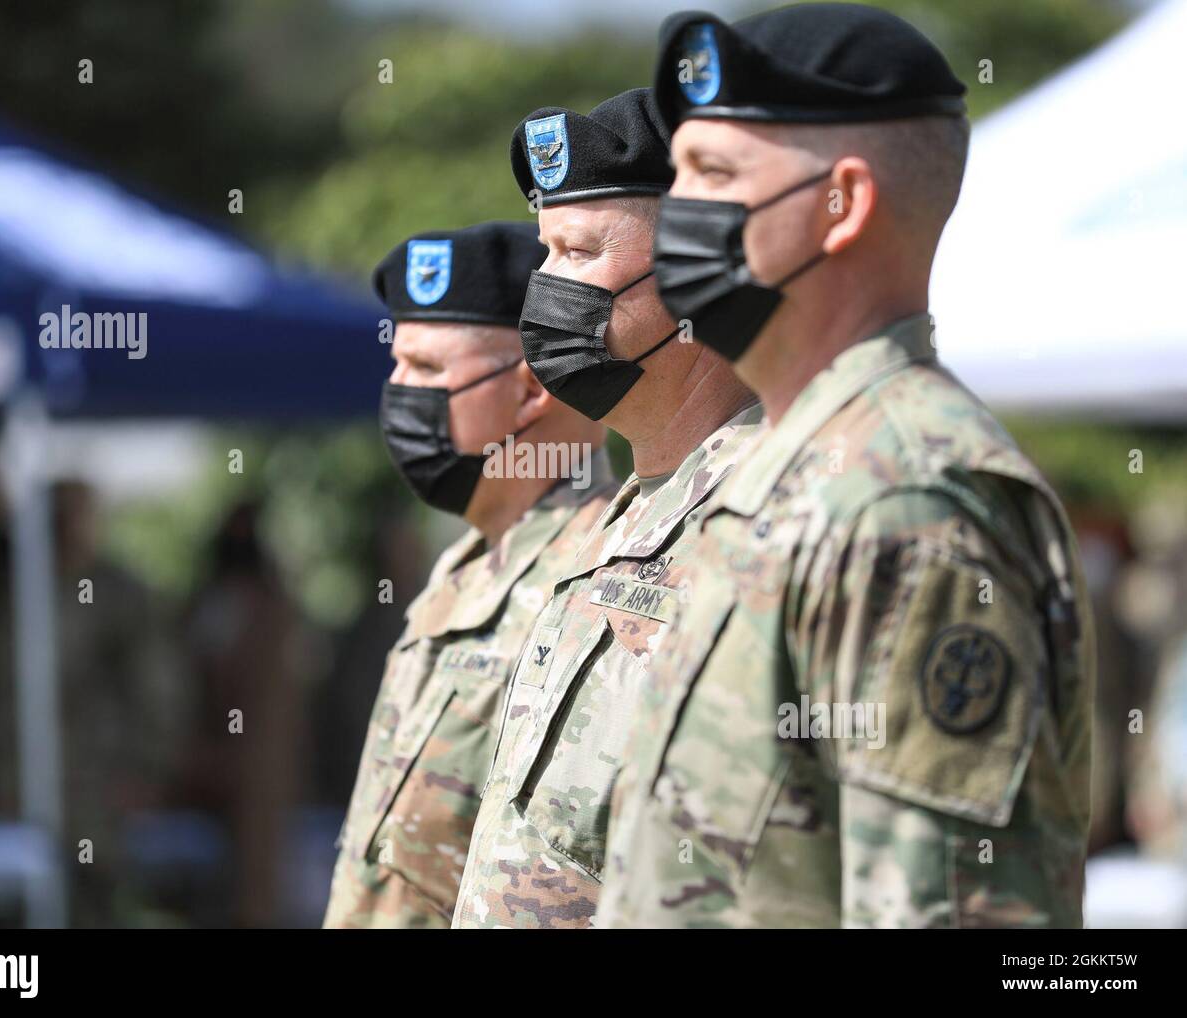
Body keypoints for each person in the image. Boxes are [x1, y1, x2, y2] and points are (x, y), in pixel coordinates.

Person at [596, 3, 1096, 928]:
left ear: (845, 204)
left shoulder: (905, 500)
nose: (680, 219)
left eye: (714, 175)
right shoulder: (779, 474)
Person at [452, 89, 761, 928]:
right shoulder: (613, 527)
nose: (546, 289)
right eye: (544, 252)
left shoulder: (773, 529)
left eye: (581, 252)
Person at [325, 221, 616, 927]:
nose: (398, 393)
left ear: (527, 392)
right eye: (398, 366)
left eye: (426, 371)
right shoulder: (463, 569)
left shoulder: (598, 585)